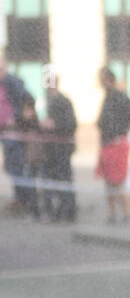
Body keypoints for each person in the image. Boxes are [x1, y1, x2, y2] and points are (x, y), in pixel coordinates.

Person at [95, 66, 130, 225]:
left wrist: (127, 135)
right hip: (107, 144)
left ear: (108, 79)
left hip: (117, 143)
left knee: (119, 180)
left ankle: (126, 213)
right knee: (109, 181)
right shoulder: (108, 97)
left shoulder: (120, 97)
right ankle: (112, 213)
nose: (99, 82)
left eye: (101, 78)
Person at [41, 71, 78, 223]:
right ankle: (56, 211)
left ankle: (68, 211)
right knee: (53, 179)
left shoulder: (64, 101)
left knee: (64, 179)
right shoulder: (48, 101)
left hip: (62, 148)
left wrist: (55, 125)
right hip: (51, 148)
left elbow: (71, 124)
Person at [0, 50, 31, 212]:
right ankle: (19, 198)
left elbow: (26, 101)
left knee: (17, 166)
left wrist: (16, 117)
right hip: (4, 132)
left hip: (13, 132)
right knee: (11, 166)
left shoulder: (12, 82)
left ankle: (25, 199)